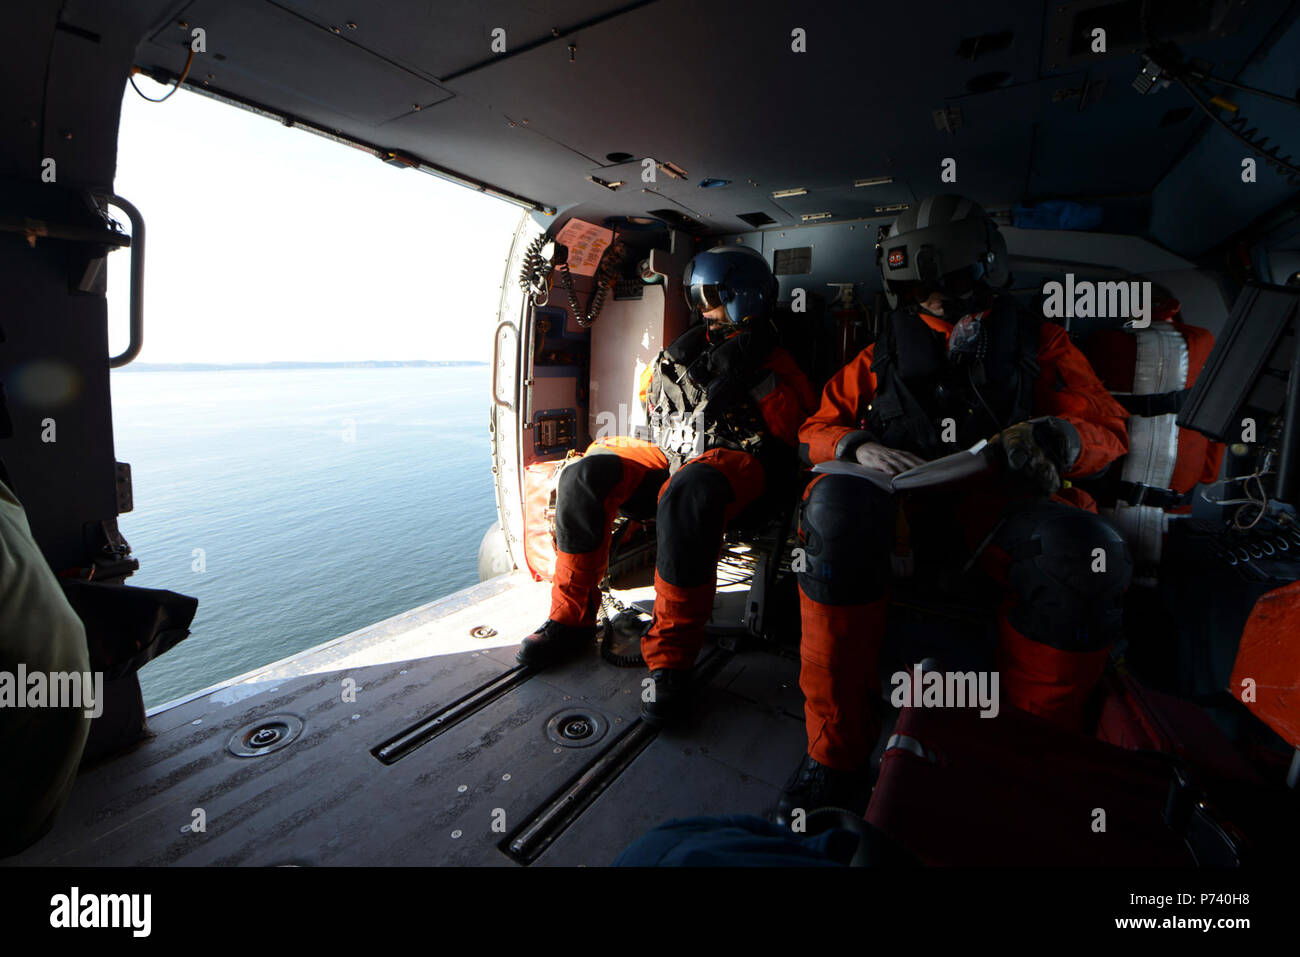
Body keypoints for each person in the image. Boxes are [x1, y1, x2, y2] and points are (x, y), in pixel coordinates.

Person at [778, 194, 1133, 820]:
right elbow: (814, 429)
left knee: (1088, 553)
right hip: (903, 521)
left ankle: (1025, 759)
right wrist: (858, 447)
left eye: (945, 287)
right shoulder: (884, 353)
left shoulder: (1039, 343)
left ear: (984, 271)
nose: (933, 301)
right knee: (831, 512)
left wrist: (1061, 439)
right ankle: (833, 755)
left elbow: (1107, 430)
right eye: (919, 290)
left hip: (1004, 514)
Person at [517, 244, 815, 726]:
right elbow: (653, 404)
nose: (701, 307)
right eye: (696, 296)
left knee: (687, 491)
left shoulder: (774, 361)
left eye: (710, 295)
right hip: (676, 454)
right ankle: (570, 621)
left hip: (741, 466)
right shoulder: (689, 350)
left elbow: (789, 434)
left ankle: (671, 660)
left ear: (744, 295)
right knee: (582, 475)